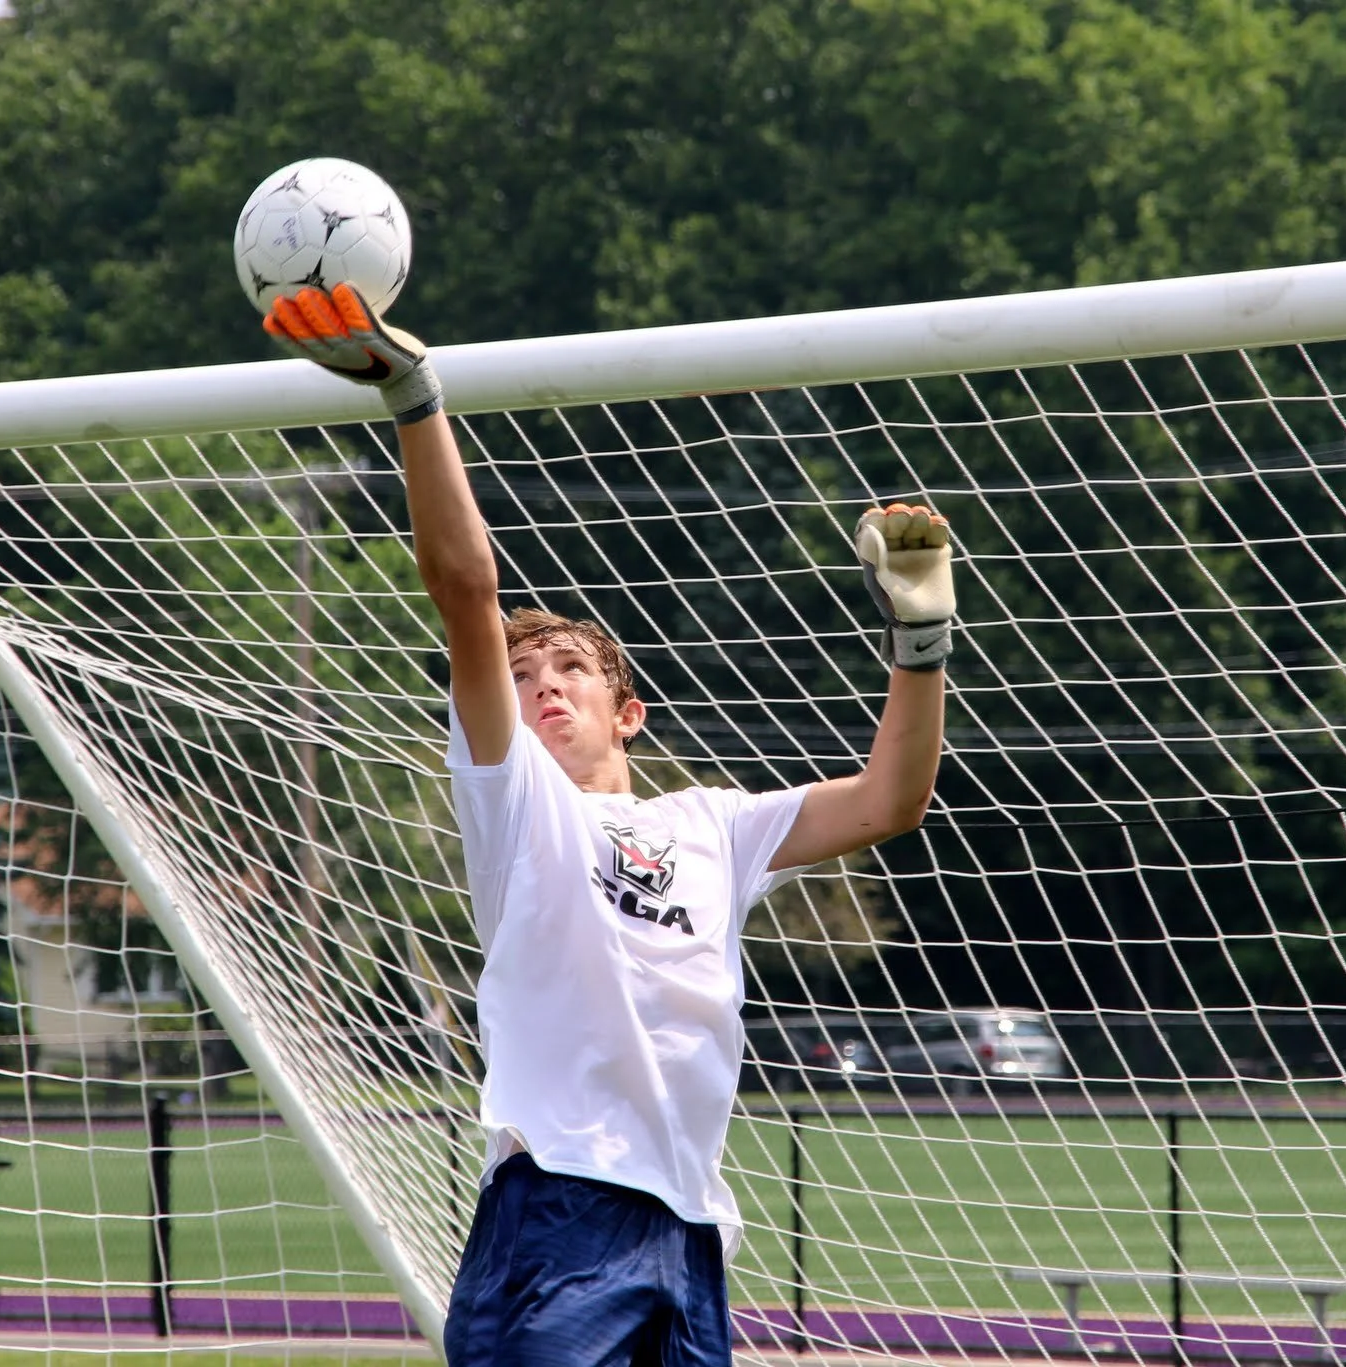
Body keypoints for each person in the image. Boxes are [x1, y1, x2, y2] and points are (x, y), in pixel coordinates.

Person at [264, 284, 949, 1366]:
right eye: (521, 672)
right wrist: (413, 392)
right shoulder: (515, 800)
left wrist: (921, 638)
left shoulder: (713, 823)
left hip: (689, 1226)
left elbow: (887, 800)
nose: (542, 684)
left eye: (570, 667)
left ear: (626, 710)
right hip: (559, 1211)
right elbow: (462, 587)